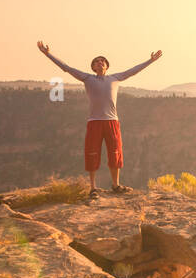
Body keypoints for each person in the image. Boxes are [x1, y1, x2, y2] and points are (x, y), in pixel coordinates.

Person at [37, 41, 163, 197]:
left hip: (112, 122)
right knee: (92, 153)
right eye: (96, 61)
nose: (100, 62)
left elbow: (133, 71)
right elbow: (66, 68)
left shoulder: (116, 78)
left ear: (107, 66)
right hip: (94, 122)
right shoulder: (87, 78)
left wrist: (150, 61)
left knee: (115, 153)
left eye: (102, 61)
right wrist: (48, 54)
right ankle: (93, 188)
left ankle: (116, 185)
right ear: (93, 68)